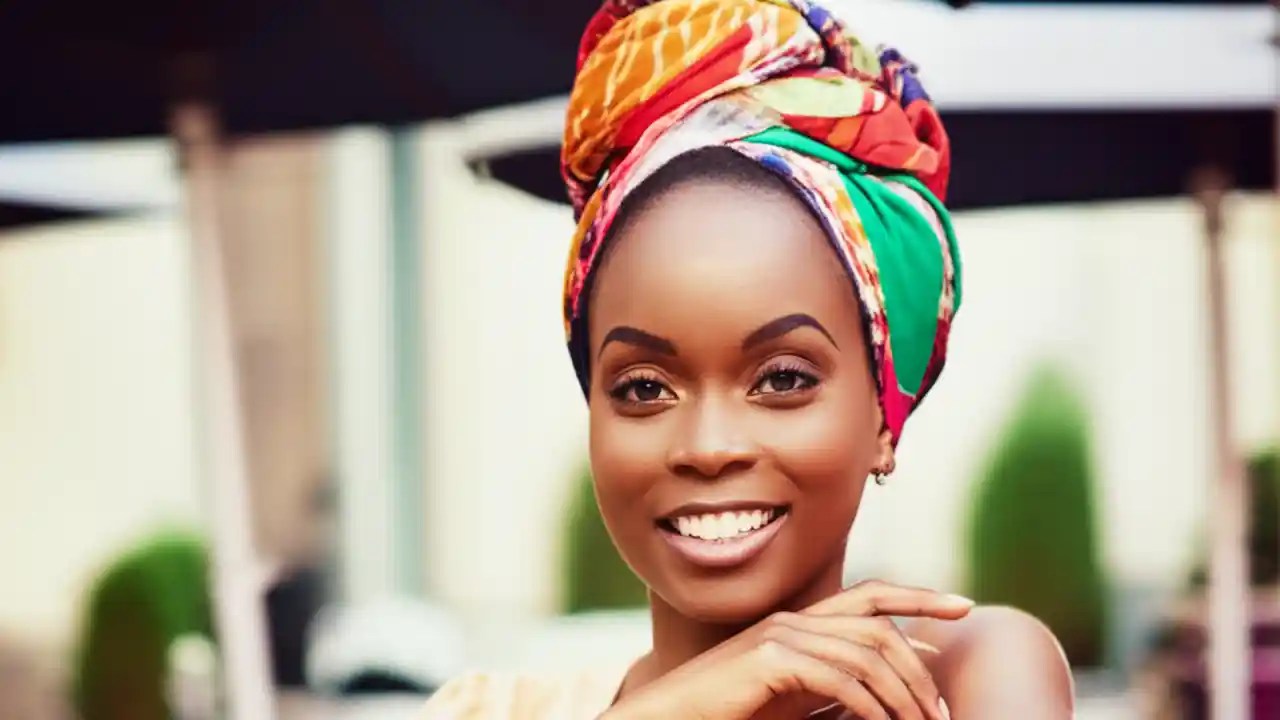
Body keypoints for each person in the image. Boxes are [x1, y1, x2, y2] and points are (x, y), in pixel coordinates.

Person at [424, 0, 1073, 717]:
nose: (708, 447)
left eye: (783, 379)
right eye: (643, 388)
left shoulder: (965, 679)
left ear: (886, 418)